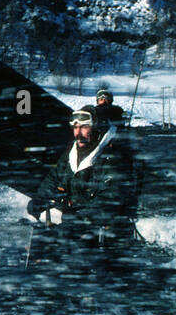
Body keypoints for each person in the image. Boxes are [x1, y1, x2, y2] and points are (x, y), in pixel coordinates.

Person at [26, 89, 140, 247]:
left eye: (84, 127)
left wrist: (76, 218)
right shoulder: (70, 155)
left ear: (96, 128)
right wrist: (40, 201)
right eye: (75, 127)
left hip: (100, 232)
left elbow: (109, 201)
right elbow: (52, 180)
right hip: (72, 223)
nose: (78, 133)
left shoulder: (113, 159)